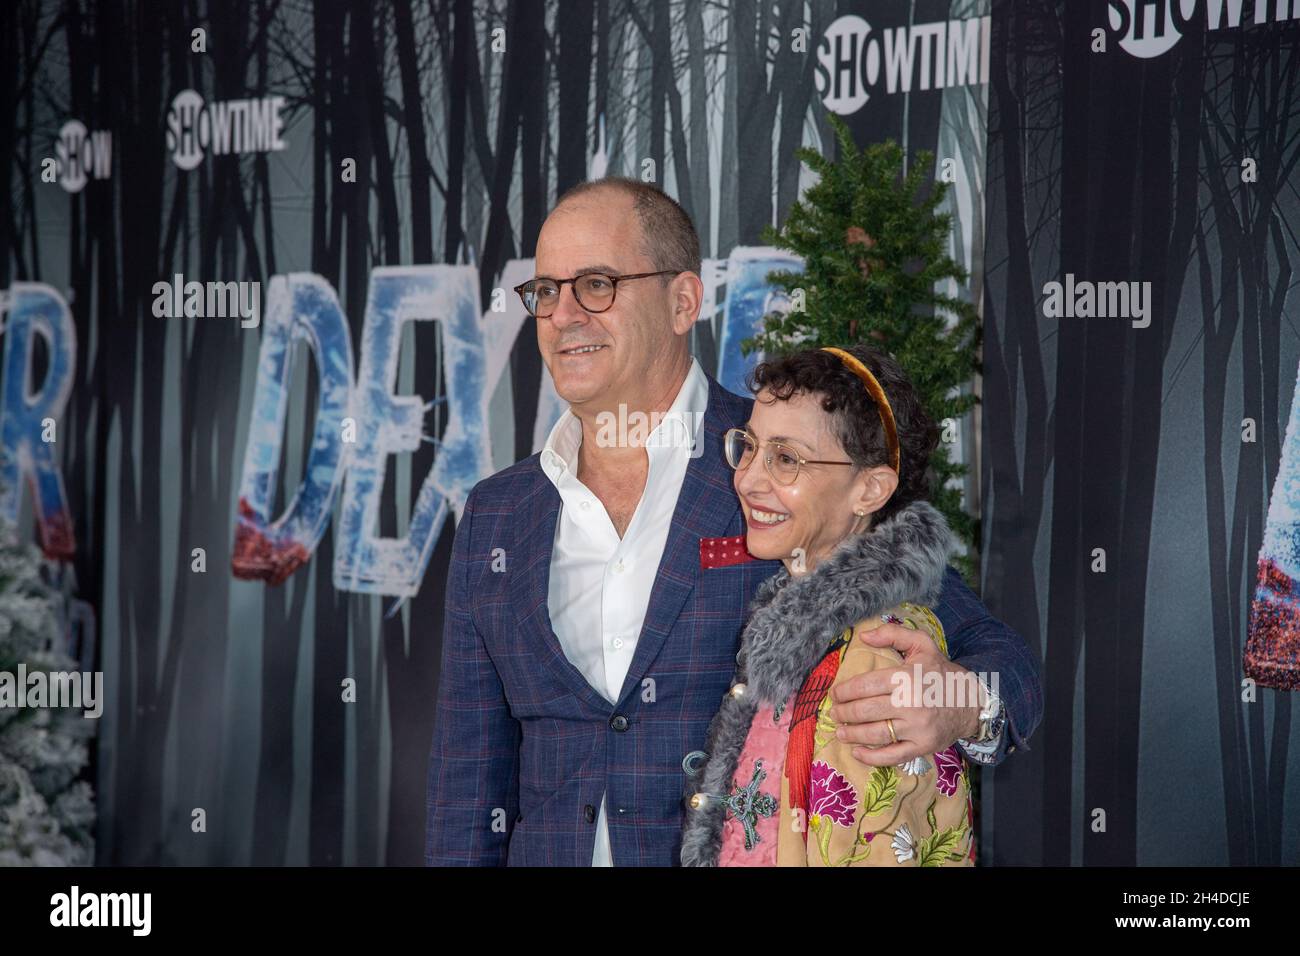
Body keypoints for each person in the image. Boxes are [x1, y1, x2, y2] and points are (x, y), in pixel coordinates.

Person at [424, 176, 1041, 866]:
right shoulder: (497, 514)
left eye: (596, 284)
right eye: (545, 291)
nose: (563, 314)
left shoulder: (781, 472)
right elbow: (467, 778)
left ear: (684, 300)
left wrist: (959, 706)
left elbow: (996, 652)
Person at [681, 344, 973, 866]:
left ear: (870, 489)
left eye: (786, 459)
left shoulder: (875, 658)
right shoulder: (800, 626)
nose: (747, 479)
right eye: (748, 447)